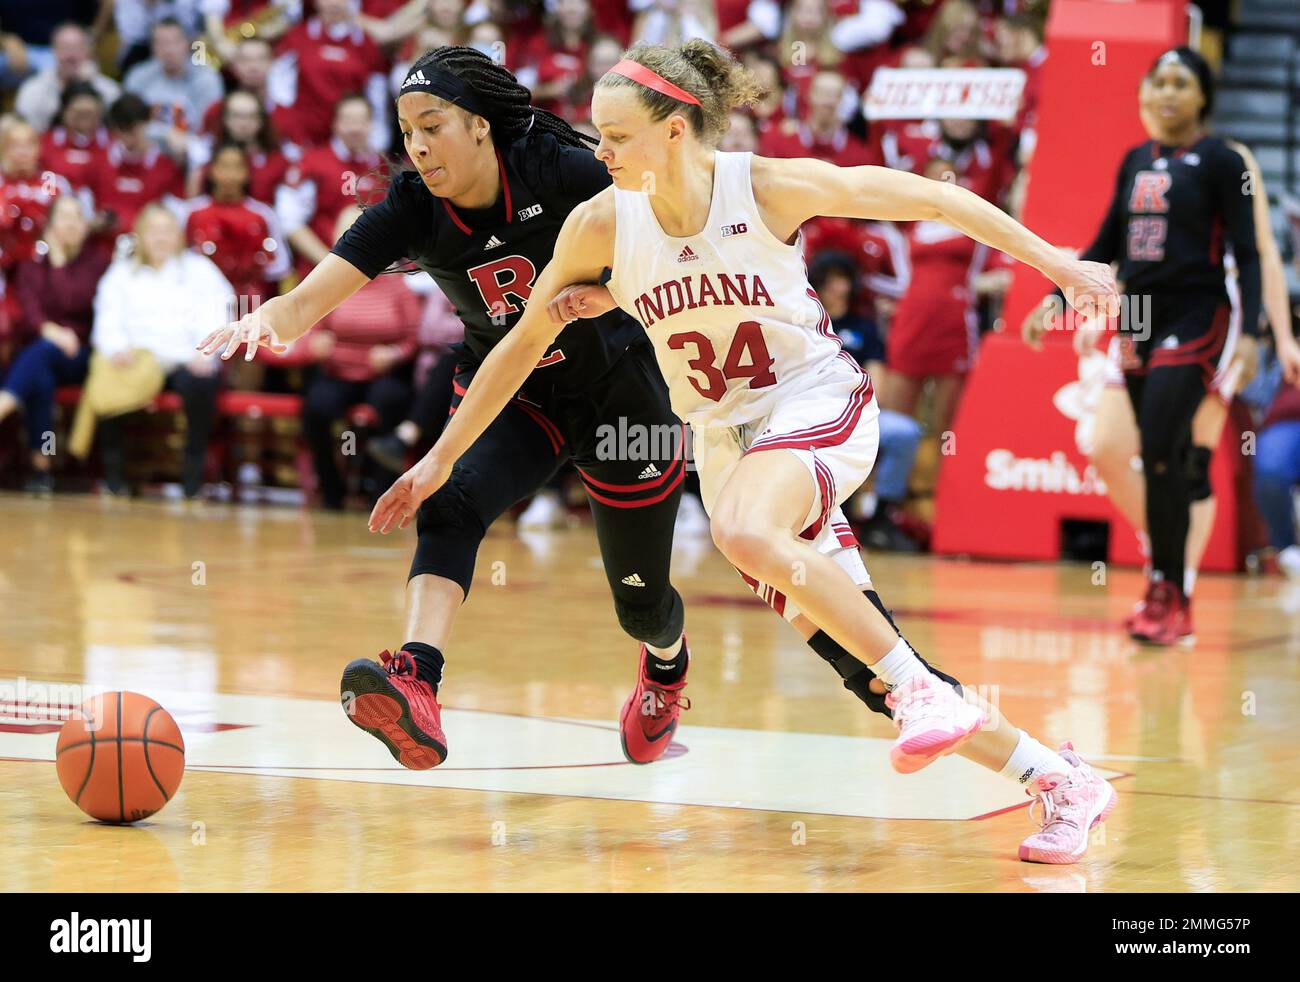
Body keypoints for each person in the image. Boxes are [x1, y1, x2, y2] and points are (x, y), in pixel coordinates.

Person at [357, 40, 1122, 864]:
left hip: (812, 403)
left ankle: (922, 692)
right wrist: (440, 459)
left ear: (676, 133)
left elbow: (934, 202)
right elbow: (513, 348)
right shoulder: (601, 222)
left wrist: (1057, 263)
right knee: (864, 660)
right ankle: (1058, 777)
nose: (597, 153)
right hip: (726, 443)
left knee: (746, 534)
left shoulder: (763, 185)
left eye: (614, 137)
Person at [199, 46, 692, 773]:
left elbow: (670, 243)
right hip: (513, 391)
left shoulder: (561, 171)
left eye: (433, 125)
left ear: (482, 126)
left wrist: (613, 294)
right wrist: (265, 319)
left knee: (642, 606)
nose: (418, 146)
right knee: (448, 497)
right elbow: (307, 301)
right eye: (406, 131)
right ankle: (416, 680)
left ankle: (666, 671)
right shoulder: (410, 209)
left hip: (622, 394)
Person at [1021, 47, 1289, 645]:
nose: (1168, 93)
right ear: (1145, 95)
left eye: (1181, 83)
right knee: (1152, 454)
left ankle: (1174, 592)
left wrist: (1251, 338)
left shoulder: (1222, 160)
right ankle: (1163, 586)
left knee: (1167, 446)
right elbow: (1105, 241)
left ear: (1202, 97)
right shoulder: (1135, 159)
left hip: (1197, 315)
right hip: (1138, 317)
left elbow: (1247, 252)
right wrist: (1058, 298)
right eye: (1158, 82)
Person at [91, 204, 231, 498]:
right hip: (137, 360)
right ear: (139, 235)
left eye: (167, 231)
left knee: (202, 385)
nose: (160, 238)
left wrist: (205, 354)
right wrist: (116, 348)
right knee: (105, 379)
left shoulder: (200, 270)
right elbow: (107, 316)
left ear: (179, 236)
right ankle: (115, 477)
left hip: (184, 360)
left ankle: (192, 479)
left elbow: (218, 314)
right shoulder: (121, 272)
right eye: (153, 231)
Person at [0, 196, 109, 493]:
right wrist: (51, 331)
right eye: (63, 217)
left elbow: (74, 302)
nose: (71, 223)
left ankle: (3, 404)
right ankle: (43, 463)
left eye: (77, 217)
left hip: (80, 356)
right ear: (50, 225)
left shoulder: (97, 263)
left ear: (86, 225)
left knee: (42, 355)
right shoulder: (32, 264)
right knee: (41, 381)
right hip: (41, 355)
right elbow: (29, 310)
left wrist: (59, 263)